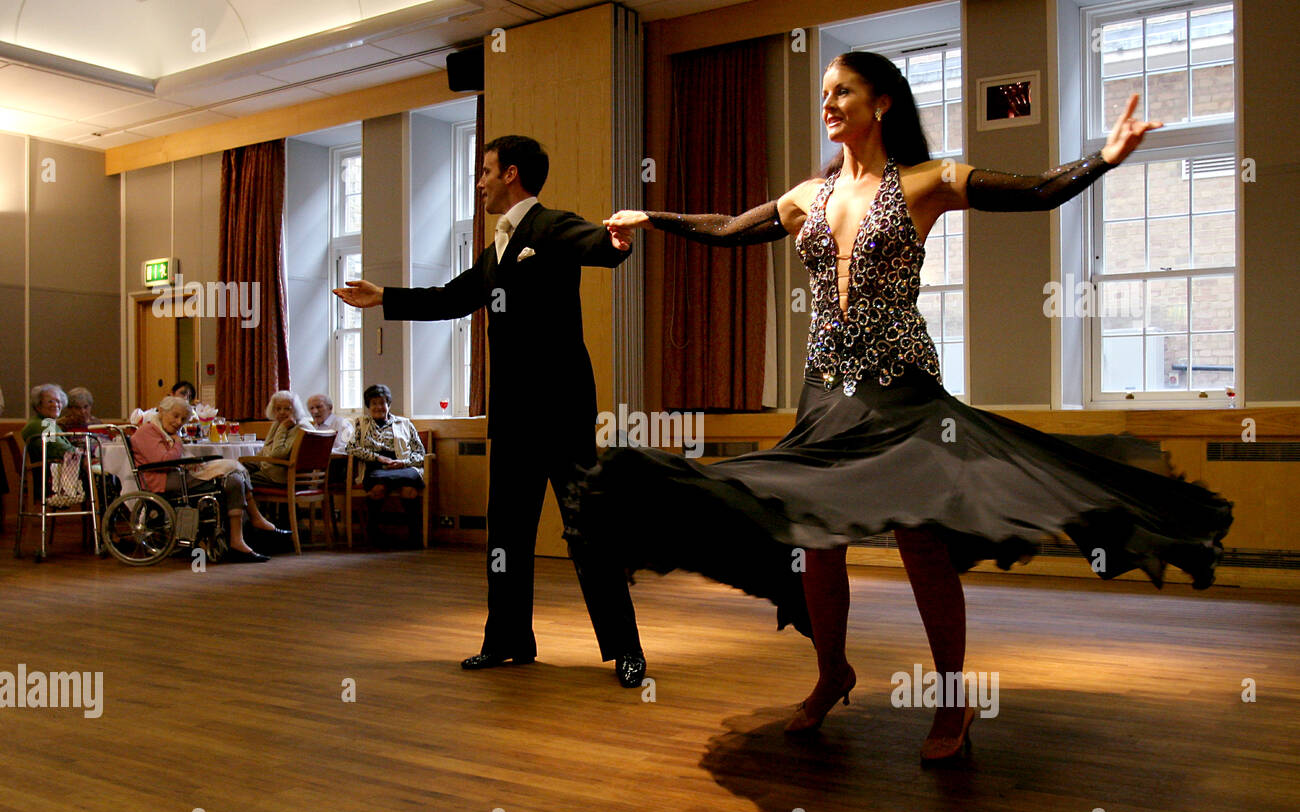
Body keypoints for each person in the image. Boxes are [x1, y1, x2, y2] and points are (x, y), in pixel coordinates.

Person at [582, 52, 1233, 757]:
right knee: (816, 540)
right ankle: (832, 674)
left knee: (921, 541)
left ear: (882, 103)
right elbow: (729, 228)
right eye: (824, 93)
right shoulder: (809, 195)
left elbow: (1039, 192)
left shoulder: (930, 181)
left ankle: (952, 701)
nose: (829, 103)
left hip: (900, 391)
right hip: (827, 392)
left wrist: (1103, 158)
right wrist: (654, 216)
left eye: (844, 92)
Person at [332, 134, 647, 688]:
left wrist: (617, 243)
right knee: (506, 534)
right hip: (512, 417)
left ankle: (625, 649)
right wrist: (384, 297)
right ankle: (506, 641)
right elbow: (450, 298)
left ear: (511, 174)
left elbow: (599, 247)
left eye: (485, 170)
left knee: (585, 531)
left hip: (562, 412)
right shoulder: (493, 254)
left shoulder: (549, 226)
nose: (478, 181)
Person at [131, 396, 288, 562]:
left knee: (234, 479)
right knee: (232, 474)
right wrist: (178, 443)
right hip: (162, 479)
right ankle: (253, 523)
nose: (179, 422)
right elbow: (163, 462)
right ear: (161, 411)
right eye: (175, 416)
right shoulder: (147, 431)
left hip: (177, 473)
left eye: (183, 419)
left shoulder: (165, 432)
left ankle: (238, 540)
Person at [344, 384, 426, 547]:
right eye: (374, 403)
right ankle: (373, 533)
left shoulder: (404, 423)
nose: (378, 407)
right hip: (374, 467)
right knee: (378, 489)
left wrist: (402, 462)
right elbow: (351, 447)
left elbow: (420, 453)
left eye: (382, 403)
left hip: (402, 467)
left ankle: (415, 535)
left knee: (409, 491)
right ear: (368, 406)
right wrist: (378, 458)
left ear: (388, 404)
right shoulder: (361, 424)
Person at [247, 391, 312, 485]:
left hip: (282, 476)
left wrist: (283, 428)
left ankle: (250, 500)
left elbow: (277, 454)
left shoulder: (300, 427)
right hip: (271, 469)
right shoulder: (278, 423)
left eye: (287, 409)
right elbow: (266, 449)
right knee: (234, 470)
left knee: (240, 480)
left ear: (295, 410)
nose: (282, 412)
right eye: (278, 409)